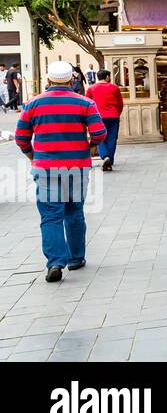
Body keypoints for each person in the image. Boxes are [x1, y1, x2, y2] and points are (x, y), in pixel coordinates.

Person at [14, 61, 106, 283]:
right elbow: (100, 132)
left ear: (48, 80)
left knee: (51, 215)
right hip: (77, 167)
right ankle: (76, 258)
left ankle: (55, 262)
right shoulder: (85, 103)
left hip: (45, 168)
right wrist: (89, 146)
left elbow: (20, 137)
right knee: (74, 211)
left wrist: (32, 155)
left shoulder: (32, 104)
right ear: (72, 80)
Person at [87, 68, 124, 171]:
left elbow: (87, 103)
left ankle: (105, 156)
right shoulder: (114, 88)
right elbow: (120, 103)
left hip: (98, 117)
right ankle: (109, 161)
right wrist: (117, 113)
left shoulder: (91, 89)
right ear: (107, 77)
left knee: (99, 138)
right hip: (113, 116)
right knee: (112, 138)